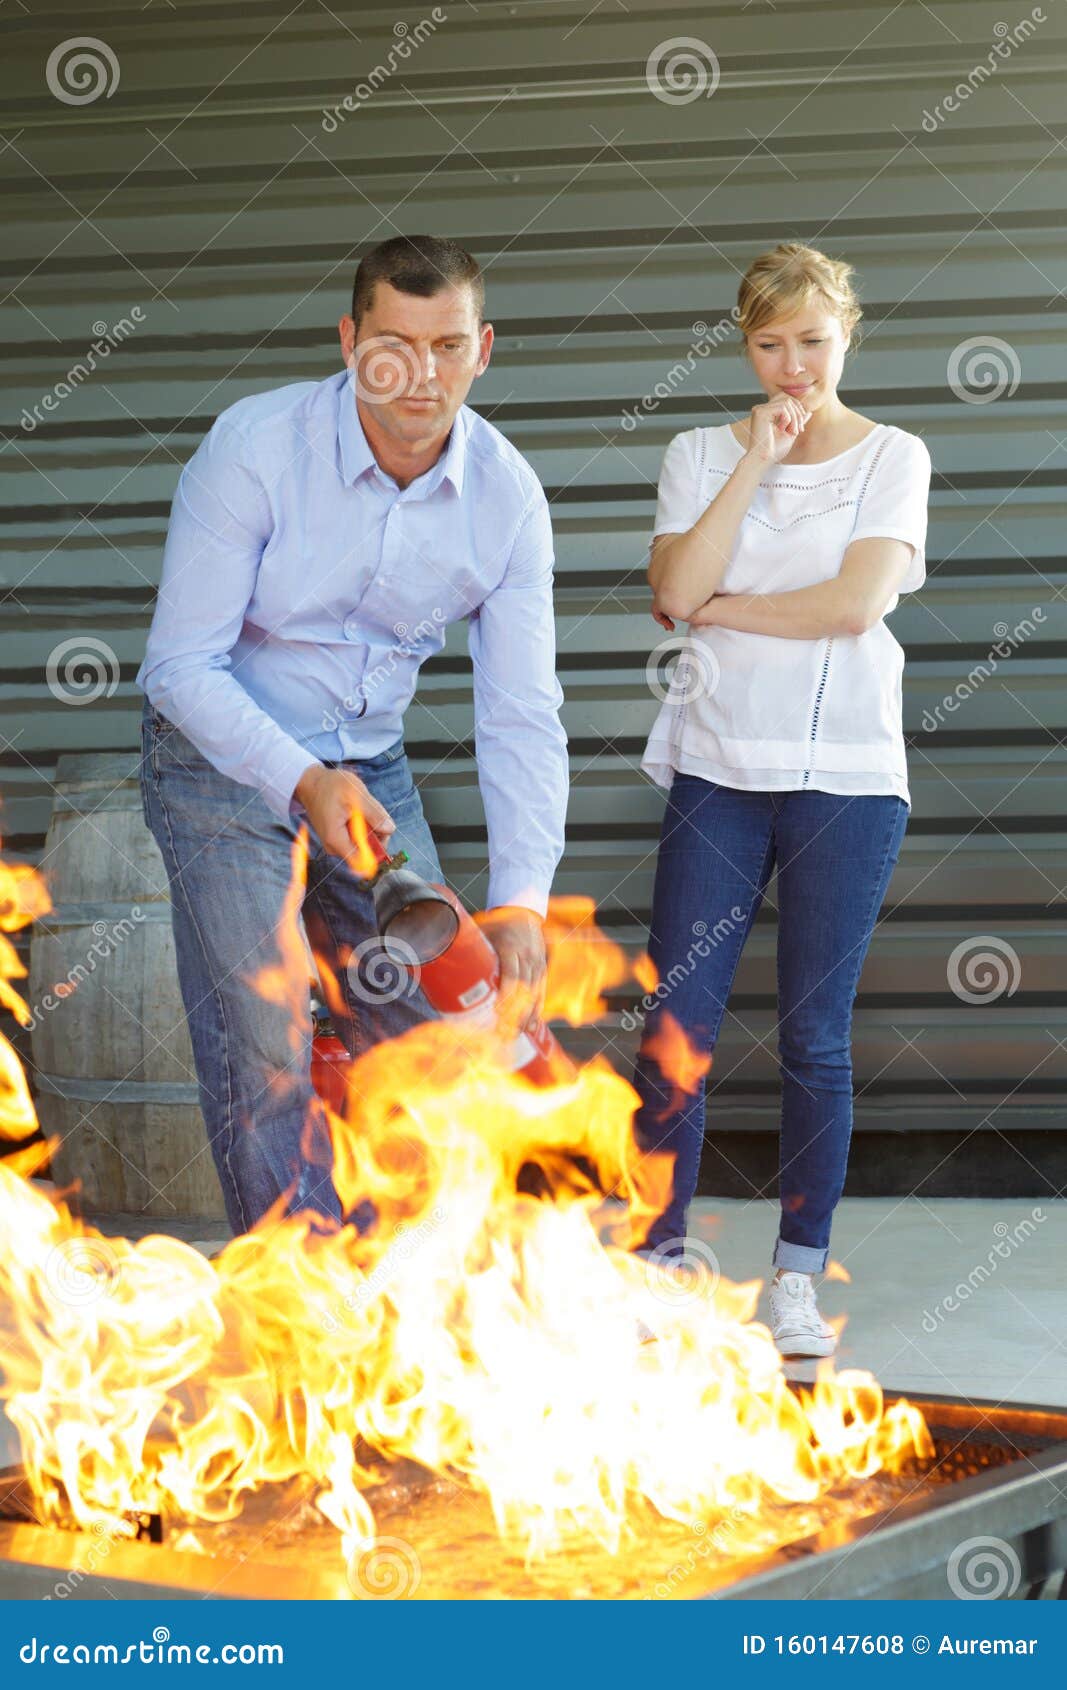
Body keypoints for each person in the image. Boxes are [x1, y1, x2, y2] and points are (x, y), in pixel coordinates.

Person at [137, 234, 568, 1237]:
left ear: (484, 350)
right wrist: (300, 781)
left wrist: (520, 902)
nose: (419, 376)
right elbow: (179, 668)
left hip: (367, 758)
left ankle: (407, 1286)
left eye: (447, 346)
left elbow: (517, 713)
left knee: (429, 1032)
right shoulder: (254, 448)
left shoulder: (507, 499)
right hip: (220, 756)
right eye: (392, 346)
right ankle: (303, 1301)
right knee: (270, 1039)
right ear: (348, 340)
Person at [630, 242, 932, 1358]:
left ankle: (796, 1275)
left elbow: (854, 606)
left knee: (812, 1036)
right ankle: (656, 1269)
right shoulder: (699, 448)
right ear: (743, 342)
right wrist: (752, 463)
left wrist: (719, 608)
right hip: (717, 768)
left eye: (811, 340)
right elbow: (670, 587)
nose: (792, 364)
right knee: (673, 1027)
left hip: (844, 779)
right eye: (769, 343)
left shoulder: (894, 455)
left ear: (845, 332)